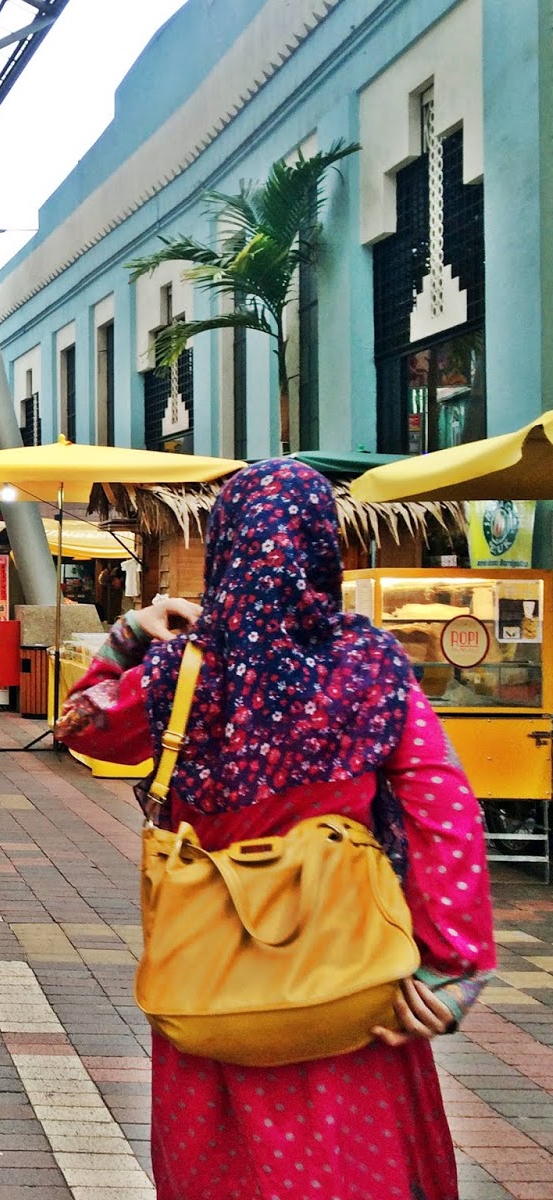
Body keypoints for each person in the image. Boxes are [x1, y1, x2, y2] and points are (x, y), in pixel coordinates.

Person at [55, 460, 494, 1199]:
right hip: (349, 978)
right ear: (324, 548)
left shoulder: (179, 672)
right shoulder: (370, 664)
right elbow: (443, 809)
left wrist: (130, 633)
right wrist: (453, 965)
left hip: (213, 984)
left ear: (223, 548)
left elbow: (80, 724)